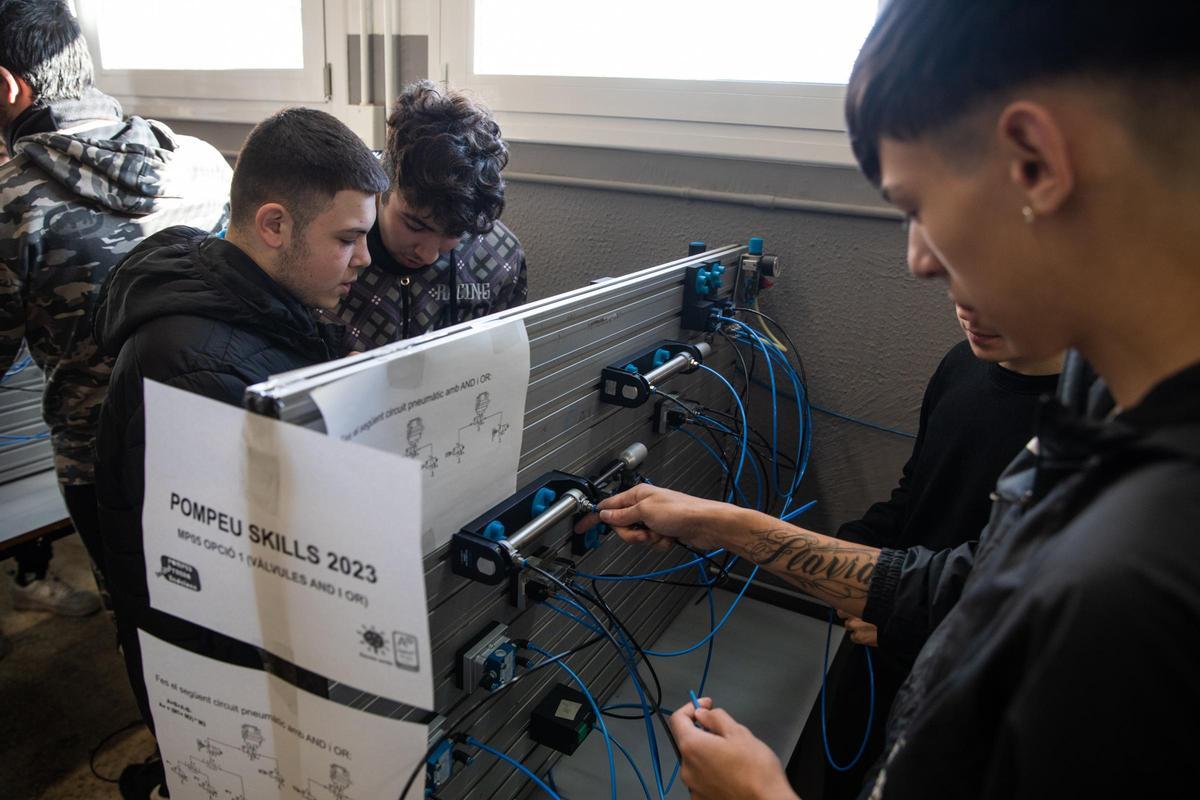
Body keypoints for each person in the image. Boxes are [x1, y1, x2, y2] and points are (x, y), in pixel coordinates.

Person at [577, 1, 1200, 797]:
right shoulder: (1099, 400)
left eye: (914, 208)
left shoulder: (1137, 589)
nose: (917, 261)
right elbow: (956, 587)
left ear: (1036, 162)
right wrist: (713, 520)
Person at [92, 107, 387, 798]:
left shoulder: (257, 313)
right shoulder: (194, 368)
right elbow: (216, 594)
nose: (366, 260)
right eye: (348, 239)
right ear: (275, 224)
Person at [808, 220, 1061, 800]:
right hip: (876, 646)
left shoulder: (1086, 425)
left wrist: (905, 622)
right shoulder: (961, 366)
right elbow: (915, 495)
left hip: (948, 678)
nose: (966, 306)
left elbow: (1022, 600)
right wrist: (844, 551)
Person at [0, 0, 230, 618]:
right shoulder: (199, 162)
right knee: (214, 611)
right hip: (211, 429)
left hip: (98, 458)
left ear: (6, 85)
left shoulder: (13, 201)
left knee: (138, 617)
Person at [326, 80, 527, 351]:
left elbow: (505, 360)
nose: (428, 255)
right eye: (414, 225)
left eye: (454, 234)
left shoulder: (501, 257)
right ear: (384, 183)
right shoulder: (326, 242)